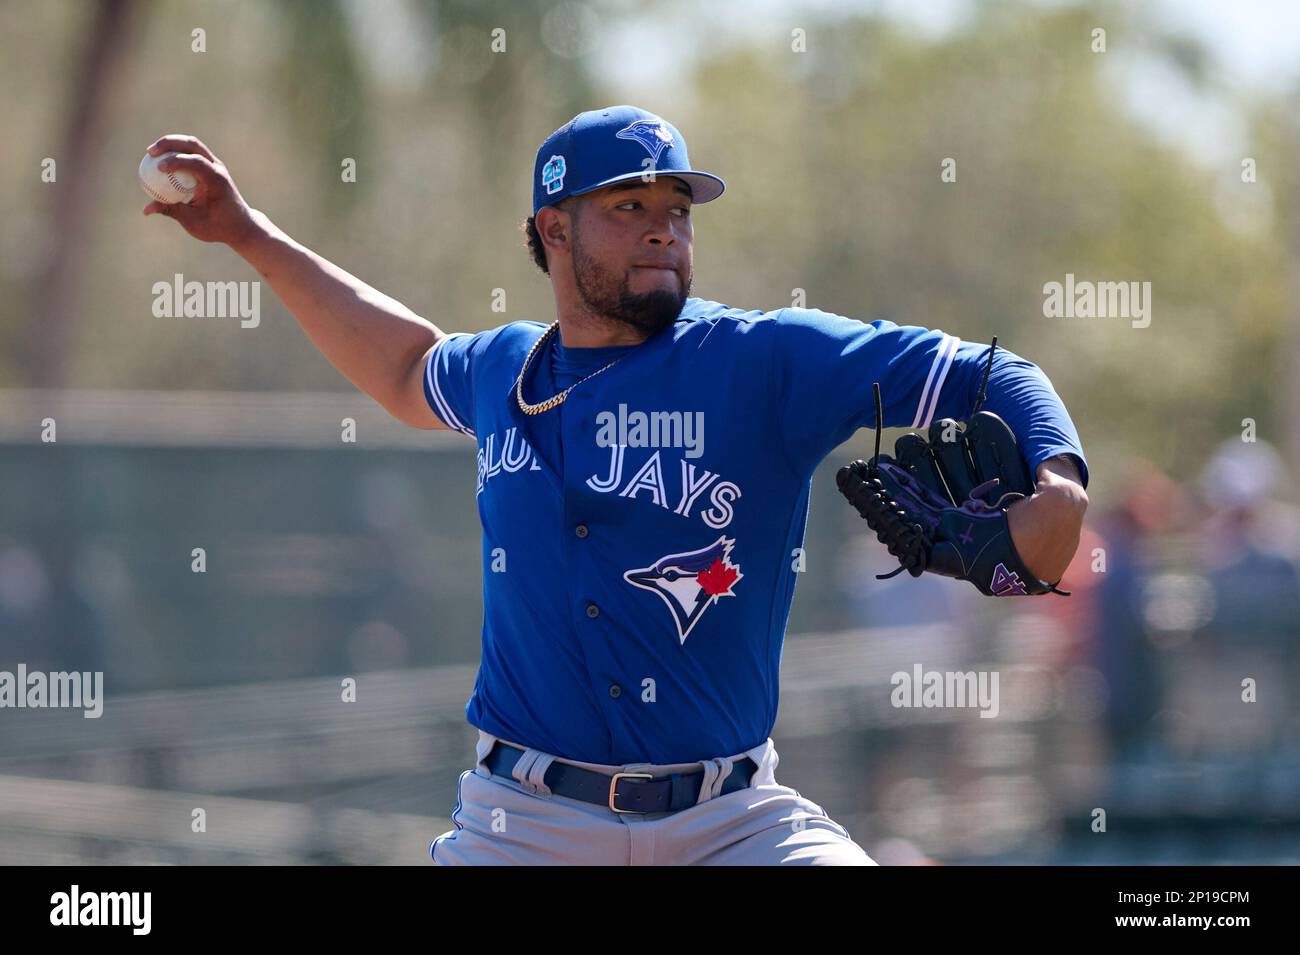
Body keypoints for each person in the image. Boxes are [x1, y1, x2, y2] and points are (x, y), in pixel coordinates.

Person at [143, 105, 1089, 865]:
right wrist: (248, 234)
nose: (663, 231)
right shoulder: (505, 373)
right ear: (554, 229)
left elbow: (990, 372)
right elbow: (403, 366)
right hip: (525, 820)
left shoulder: (763, 360)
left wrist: (1060, 483)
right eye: (627, 208)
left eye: (677, 210)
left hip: (733, 819)